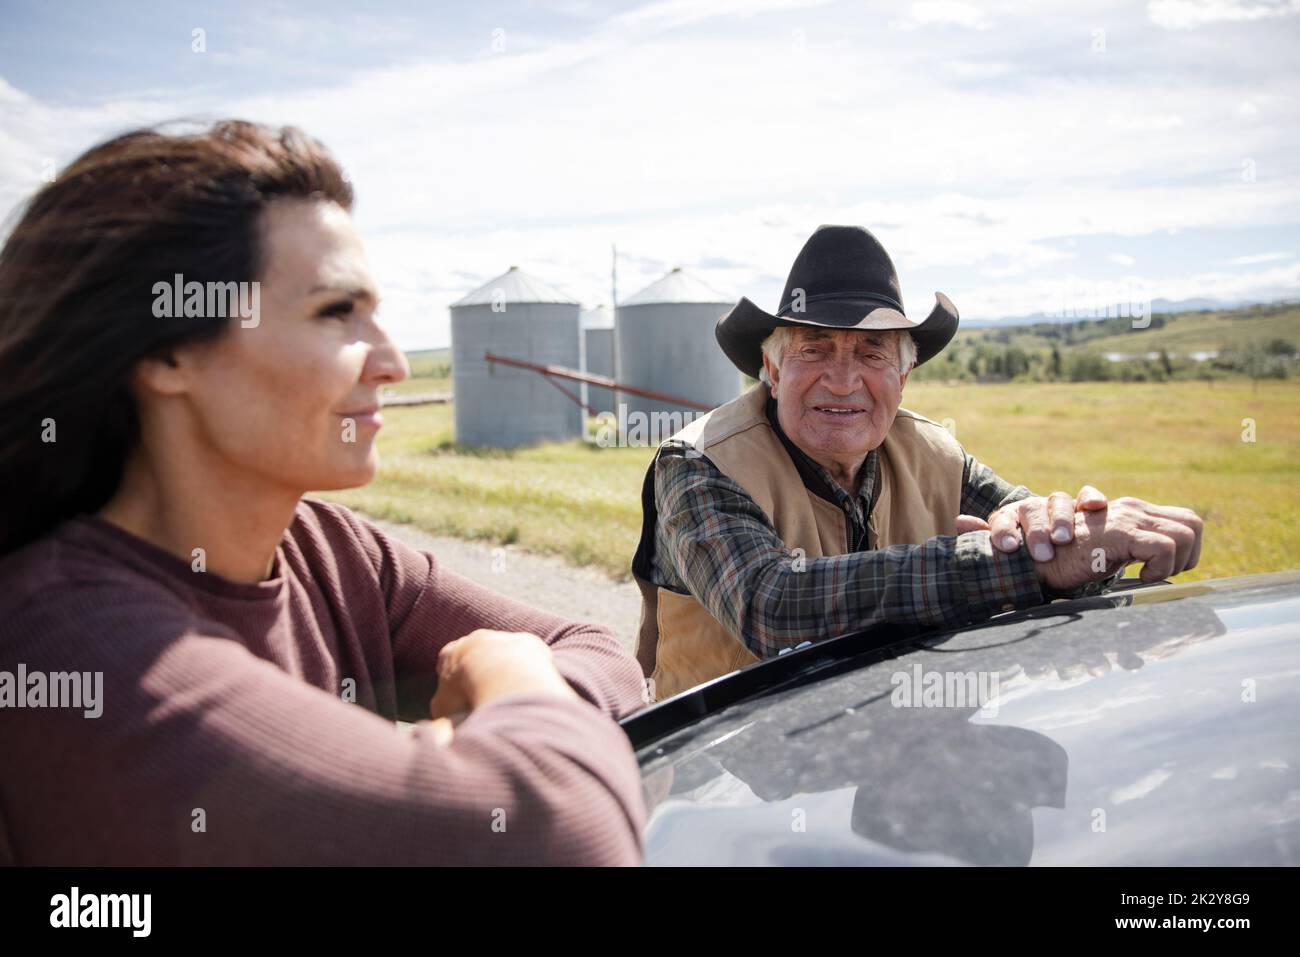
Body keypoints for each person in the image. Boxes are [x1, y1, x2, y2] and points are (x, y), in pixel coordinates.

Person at [0, 121, 648, 865]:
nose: (395, 363)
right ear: (168, 350)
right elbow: (558, 835)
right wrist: (518, 686)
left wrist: (516, 722)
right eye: (336, 312)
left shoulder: (327, 550)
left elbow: (597, 650)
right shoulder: (70, 646)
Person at [632, 225, 1205, 701]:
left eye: (871, 353)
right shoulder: (700, 463)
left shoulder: (935, 453)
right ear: (774, 370)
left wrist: (1079, 534)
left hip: (891, 736)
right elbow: (773, 604)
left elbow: (1033, 527)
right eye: (814, 349)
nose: (843, 378)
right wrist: (1023, 565)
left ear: (901, 378)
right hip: (724, 769)